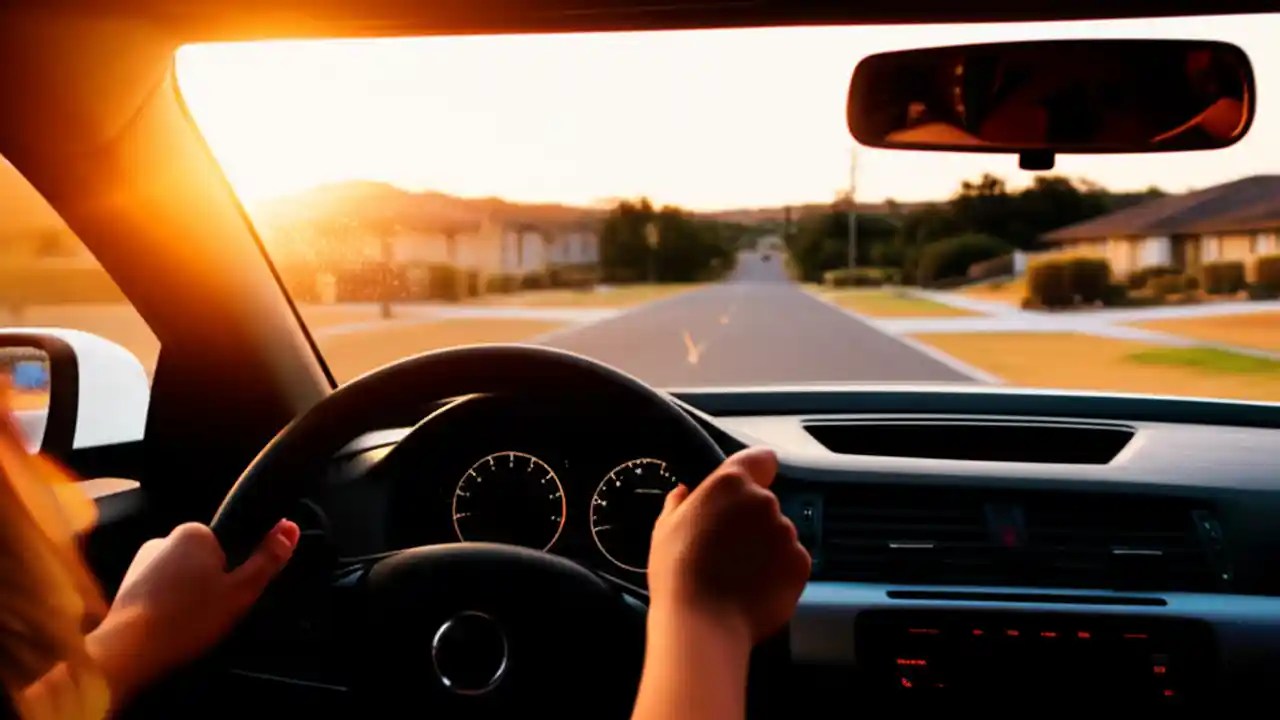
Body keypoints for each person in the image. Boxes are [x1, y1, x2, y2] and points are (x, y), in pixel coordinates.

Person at [0, 381, 809, 719]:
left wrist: (138, 631)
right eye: (12, 450)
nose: (68, 504)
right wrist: (703, 617)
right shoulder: (708, 608)